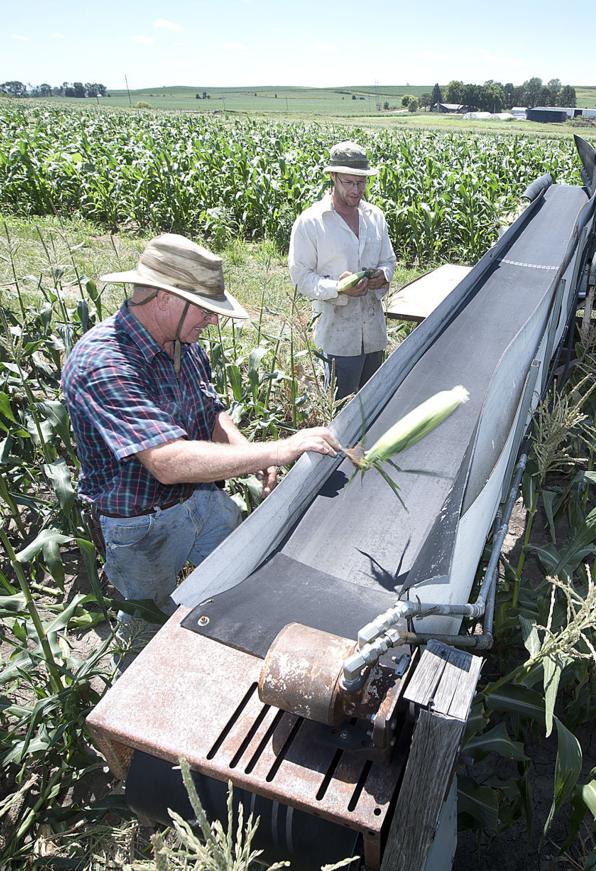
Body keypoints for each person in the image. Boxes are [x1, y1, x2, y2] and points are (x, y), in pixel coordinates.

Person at [62, 233, 341, 646]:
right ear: (164, 298)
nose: (213, 320)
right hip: (140, 527)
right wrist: (279, 449)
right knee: (146, 621)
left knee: (236, 587)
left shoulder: (183, 343)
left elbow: (209, 412)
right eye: (206, 309)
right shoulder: (103, 363)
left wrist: (249, 453)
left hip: (201, 500)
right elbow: (167, 462)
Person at [289, 141, 398, 401]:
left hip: (373, 331)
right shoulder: (312, 222)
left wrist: (382, 276)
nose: (356, 190)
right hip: (338, 334)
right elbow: (301, 276)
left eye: (361, 183)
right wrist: (337, 288)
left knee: (372, 404)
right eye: (349, 183)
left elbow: (389, 261)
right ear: (333, 177)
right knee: (342, 408)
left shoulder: (375, 217)